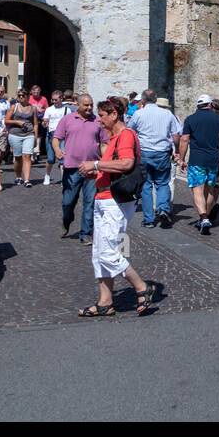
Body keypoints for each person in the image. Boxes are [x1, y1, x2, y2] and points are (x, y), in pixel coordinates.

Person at [77, 97, 157, 317]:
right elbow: (116, 167)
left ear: (114, 114)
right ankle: (105, 302)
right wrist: (98, 172)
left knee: (109, 252)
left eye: (102, 116)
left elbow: (126, 163)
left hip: (115, 200)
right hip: (105, 197)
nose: (99, 121)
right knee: (98, 252)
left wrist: (95, 164)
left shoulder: (125, 135)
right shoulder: (114, 137)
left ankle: (141, 287)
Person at [127, 88, 182, 228]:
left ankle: (149, 219)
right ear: (156, 99)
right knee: (162, 183)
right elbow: (176, 135)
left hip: (145, 152)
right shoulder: (167, 114)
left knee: (146, 185)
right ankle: (163, 209)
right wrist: (177, 151)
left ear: (143, 100)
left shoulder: (139, 114)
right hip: (162, 152)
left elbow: (130, 131)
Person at [178, 95, 219, 235]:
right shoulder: (218, 119)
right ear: (210, 105)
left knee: (197, 189)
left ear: (198, 105)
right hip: (214, 159)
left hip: (197, 159)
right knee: (210, 189)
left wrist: (181, 159)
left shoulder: (190, 119)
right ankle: (205, 217)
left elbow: (184, 140)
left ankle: (203, 217)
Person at [55, 93, 104, 243]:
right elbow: (57, 138)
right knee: (68, 202)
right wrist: (57, 149)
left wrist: (103, 162)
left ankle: (85, 234)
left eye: (91, 105)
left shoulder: (98, 121)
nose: (89, 108)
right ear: (78, 105)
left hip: (92, 168)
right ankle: (67, 220)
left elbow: (104, 143)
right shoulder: (67, 120)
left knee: (90, 202)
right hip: (72, 167)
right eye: (86, 105)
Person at [4, 88, 39, 186]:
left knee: (27, 156)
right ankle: (18, 176)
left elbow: (35, 124)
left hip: (29, 134)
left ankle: (27, 180)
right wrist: (17, 122)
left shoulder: (33, 108)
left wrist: (35, 137)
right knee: (18, 158)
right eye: (19, 95)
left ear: (28, 97)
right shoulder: (14, 107)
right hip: (15, 134)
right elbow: (6, 120)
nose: (21, 97)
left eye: (23, 95)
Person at [41, 90, 68, 186]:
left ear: (61, 99)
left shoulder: (67, 110)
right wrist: (44, 123)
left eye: (56, 99)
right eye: (52, 99)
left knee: (62, 159)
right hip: (51, 135)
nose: (54, 101)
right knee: (51, 159)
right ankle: (47, 175)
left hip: (63, 136)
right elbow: (45, 121)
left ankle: (64, 179)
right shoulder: (49, 109)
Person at [27, 85, 49, 164]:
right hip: (30, 120)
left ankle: (36, 154)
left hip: (40, 120)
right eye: (34, 92)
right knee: (30, 136)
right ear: (31, 92)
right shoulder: (28, 98)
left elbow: (47, 109)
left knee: (38, 137)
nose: (36, 94)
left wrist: (42, 110)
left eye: (38, 92)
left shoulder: (43, 99)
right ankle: (31, 154)